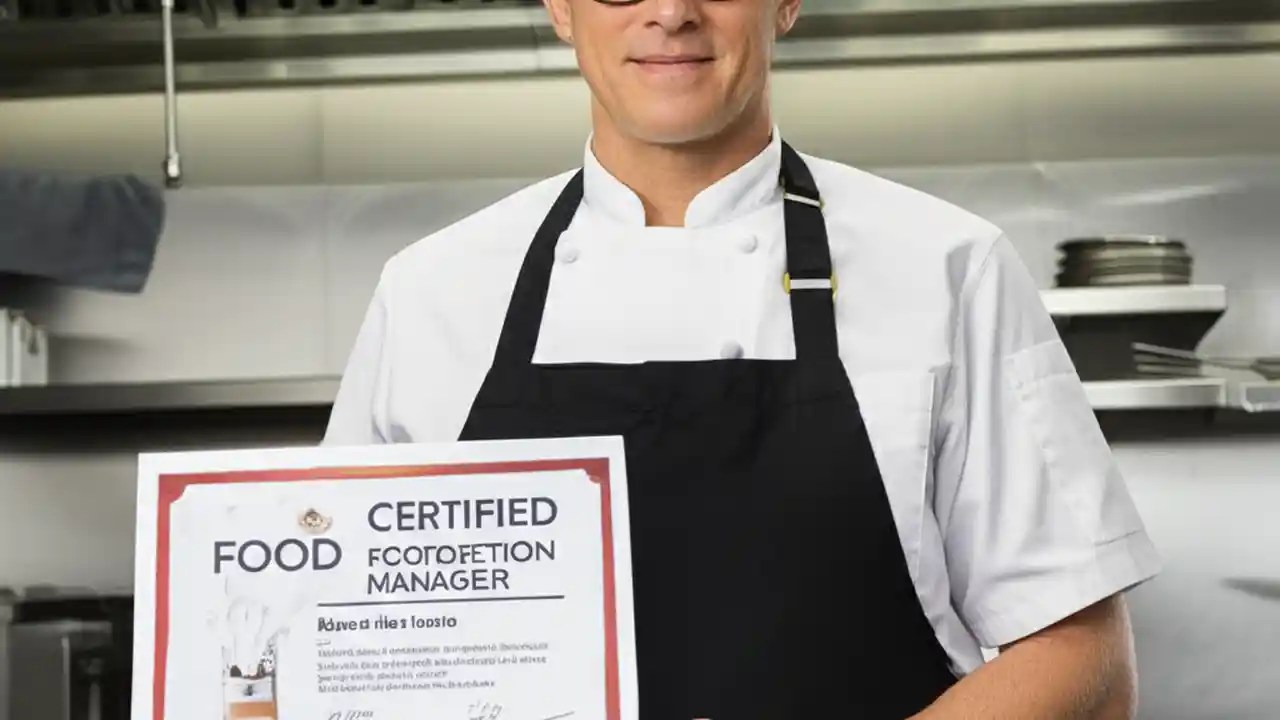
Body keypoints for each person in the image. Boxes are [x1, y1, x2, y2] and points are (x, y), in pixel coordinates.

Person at [323, 0, 1161, 716]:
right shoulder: (431, 292)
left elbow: (1080, 660)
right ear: (560, 7)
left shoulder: (947, 266)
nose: (670, 11)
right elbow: (332, 643)